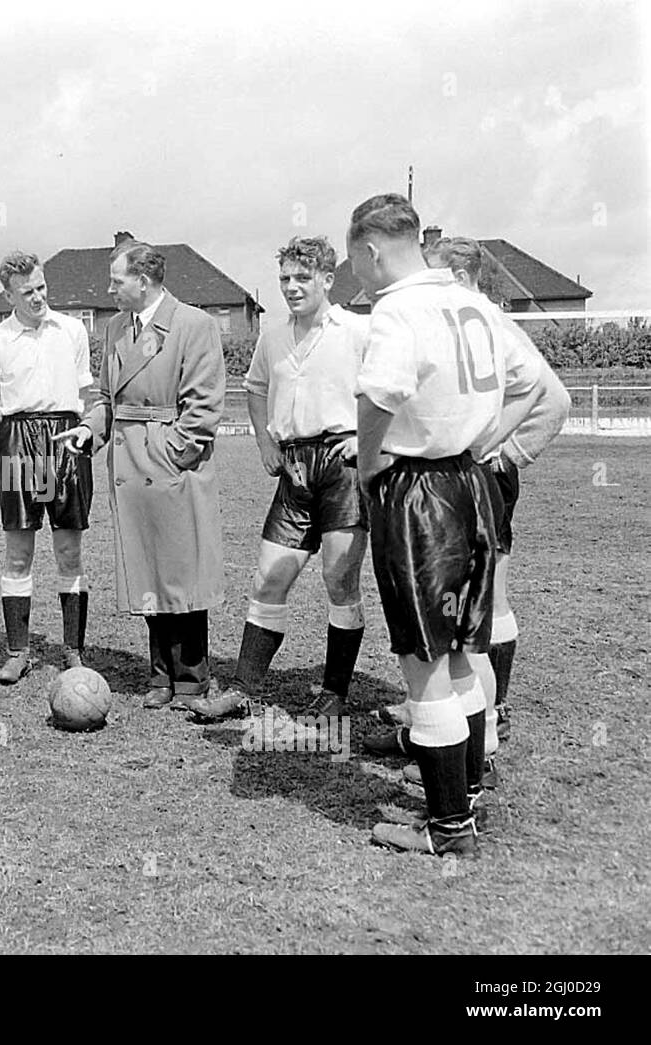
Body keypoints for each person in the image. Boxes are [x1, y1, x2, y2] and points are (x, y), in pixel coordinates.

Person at [347, 194, 548, 857]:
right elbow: (531, 386)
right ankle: (462, 804)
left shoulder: (397, 310)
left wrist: (372, 471)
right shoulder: (474, 304)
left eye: (356, 261)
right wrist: (484, 436)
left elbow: (377, 400)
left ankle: (447, 828)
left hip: (419, 492)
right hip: (474, 484)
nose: (358, 275)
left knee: (425, 664)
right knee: (462, 650)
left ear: (371, 250)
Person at [369, 236, 570, 802]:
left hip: (462, 476)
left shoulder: (481, 319)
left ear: (458, 273)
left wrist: (500, 449)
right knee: (457, 628)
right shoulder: (454, 317)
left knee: (465, 630)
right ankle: (454, 740)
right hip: (460, 471)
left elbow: (551, 397)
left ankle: (479, 748)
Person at [186, 236, 368, 724]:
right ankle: (244, 689)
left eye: (302, 278)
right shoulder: (272, 334)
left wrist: (366, 440)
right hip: (294, 467)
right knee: (269, 577)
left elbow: (391, 391)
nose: (291, 287)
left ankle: (334, 691)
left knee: (338, 578)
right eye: (284, 278)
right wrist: (267, 444)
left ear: (327, 280)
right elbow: (255, 387)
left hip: (343, 468)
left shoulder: (357, 330)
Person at [60, 241, 225, 709]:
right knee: (148, 565)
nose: (109, 289)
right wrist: (89, 431)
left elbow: (205, 406)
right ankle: (160, 675)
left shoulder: (194, 324)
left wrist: (172, 453)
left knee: (182, 568)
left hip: (171, 465)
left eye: (117, 281)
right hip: (130, 468)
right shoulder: (115, 328)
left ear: (144, 281)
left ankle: (192, 675)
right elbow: (108, 400)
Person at [0, 251, 95, 683]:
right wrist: (10, 450)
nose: (38, 297)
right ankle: (17, 651)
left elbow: (89, 392)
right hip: (18, 441)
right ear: (8, 294)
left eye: (41, 288)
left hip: (65, 438)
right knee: (19, 551)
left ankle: (73, 650)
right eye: (27, 292)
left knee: (69, 549)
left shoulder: (72, 330)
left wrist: (81, 433)